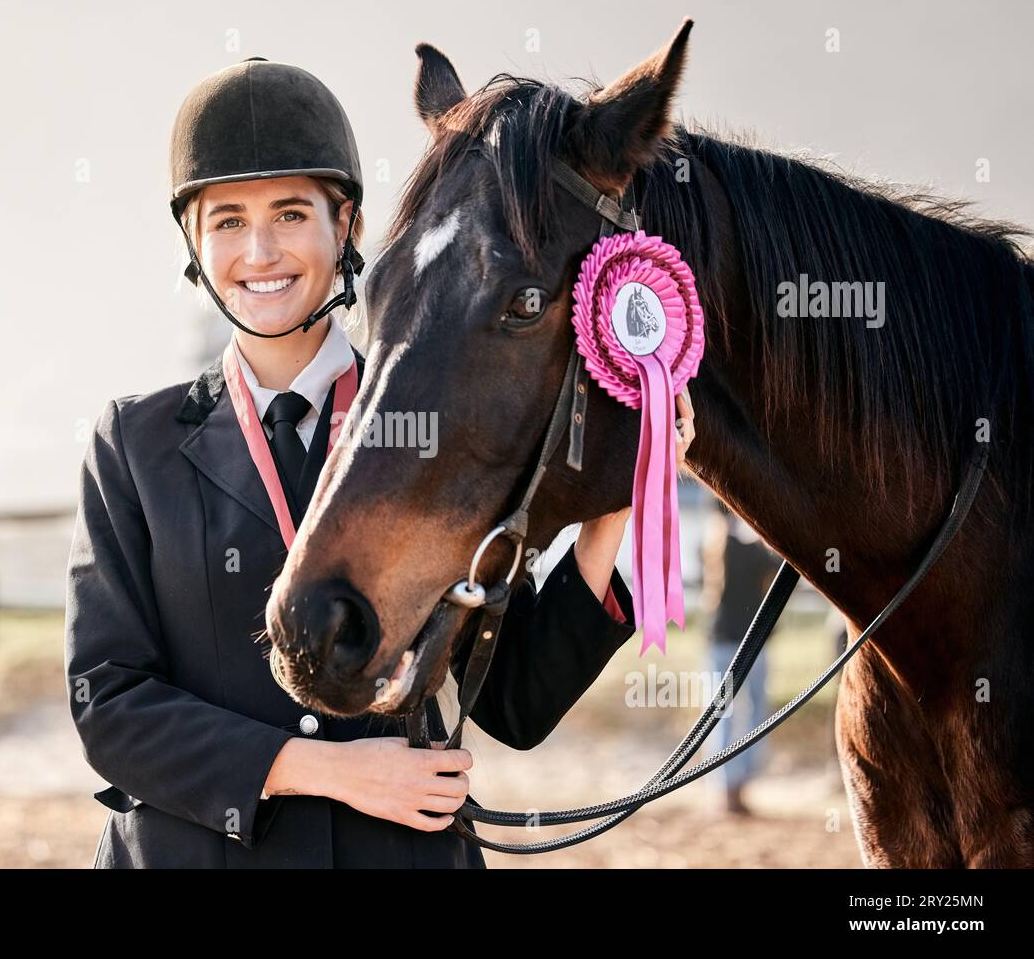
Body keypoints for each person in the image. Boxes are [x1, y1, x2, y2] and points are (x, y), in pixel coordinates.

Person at [63, 55, 695, 868]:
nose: (260, 251)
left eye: (291, 214)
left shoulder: (440, 426)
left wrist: (621, 499)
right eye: (226, 221)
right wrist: (331, 772)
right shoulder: (132, 445)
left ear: (348, 227)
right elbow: (110, 704)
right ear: (193, 241)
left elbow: (518, 701)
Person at [700, 498, 776, 814]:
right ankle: (740, 782)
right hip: (751, 642)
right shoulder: (751, 549)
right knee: (755, 712)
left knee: (722, 715)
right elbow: (775, 566)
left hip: (720, 640)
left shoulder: (711, 546)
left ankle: (723, 785)